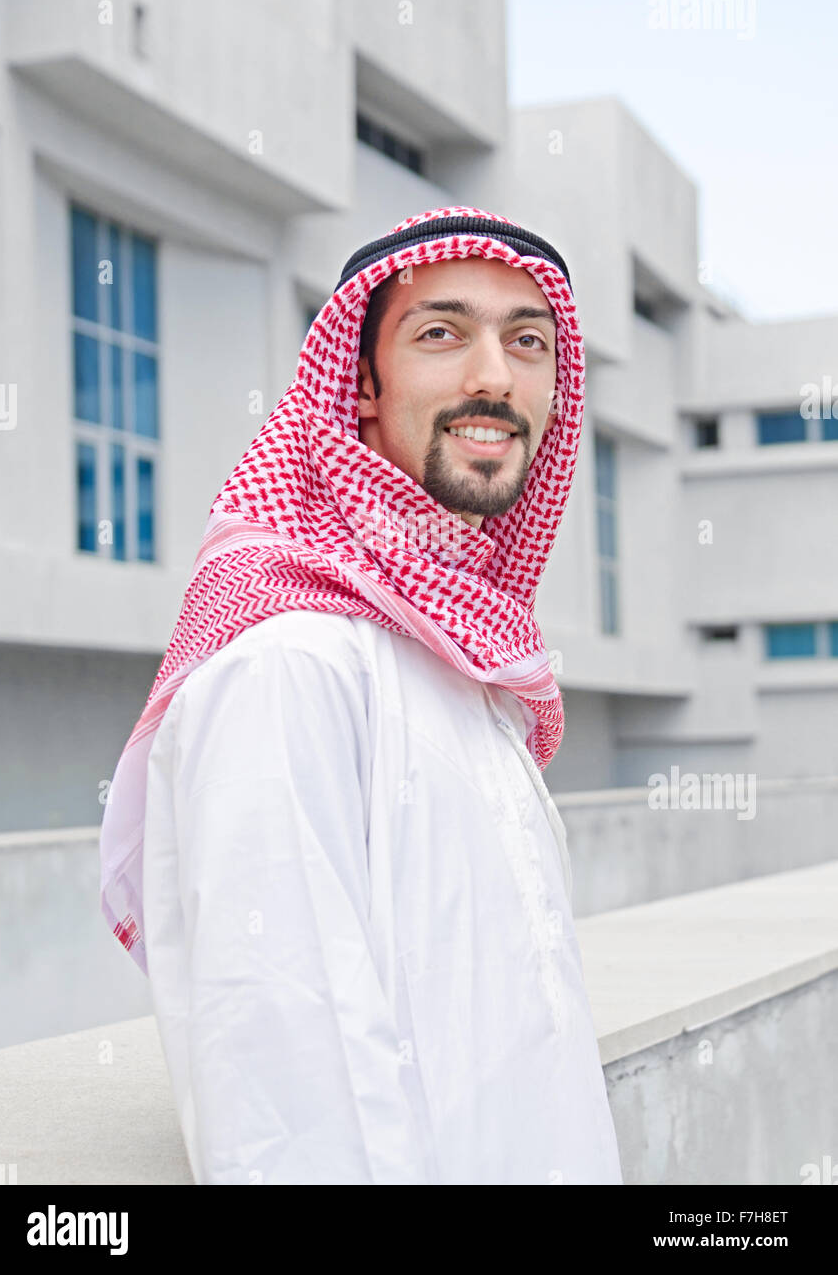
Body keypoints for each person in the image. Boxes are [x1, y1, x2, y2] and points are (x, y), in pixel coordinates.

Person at [99, 205, 623, 1185]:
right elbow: (291, 1103)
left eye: (527, 342)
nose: (494, 378)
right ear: (363, 386)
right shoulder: (285, 668)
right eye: (441, 333)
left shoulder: (466, 679)